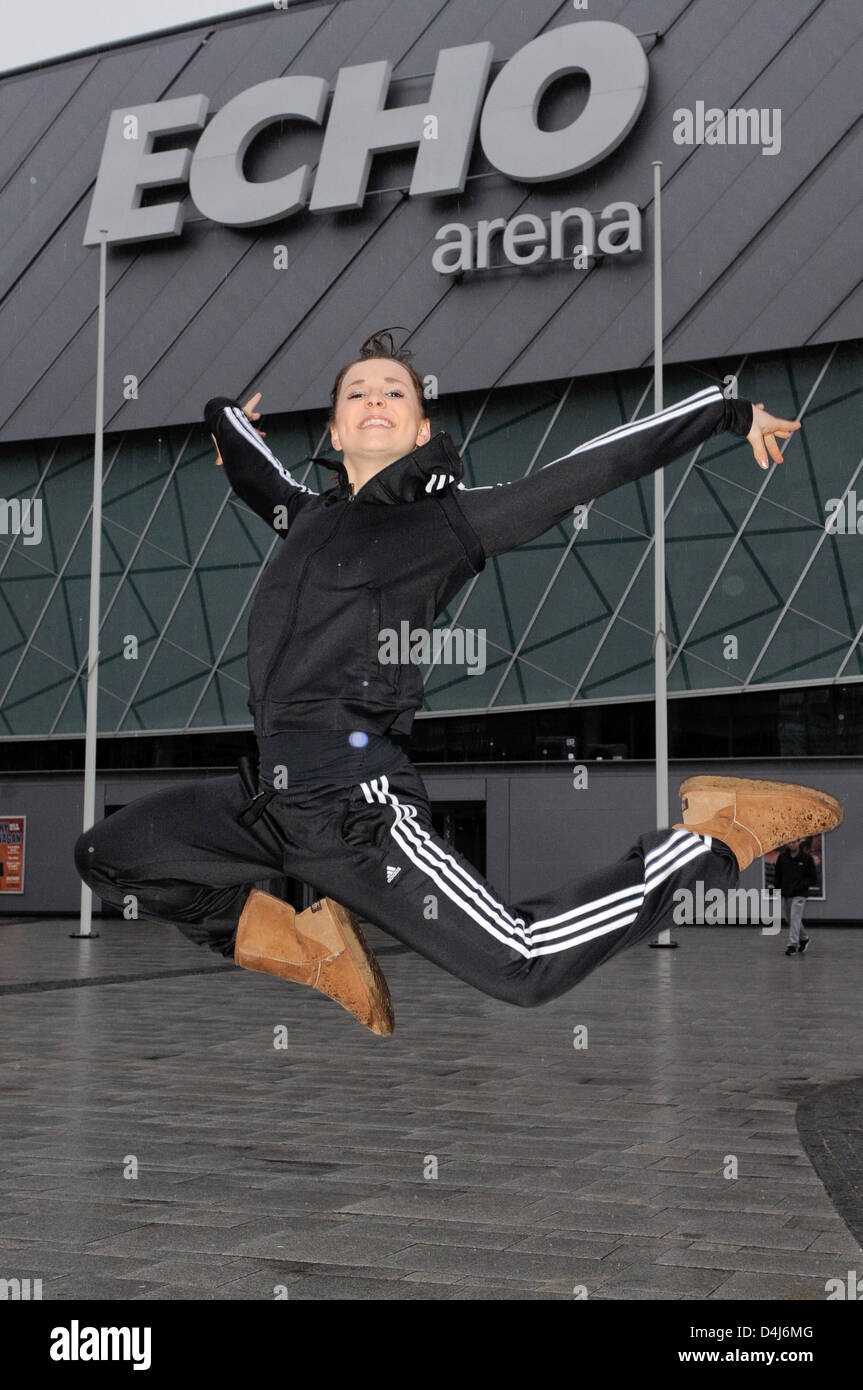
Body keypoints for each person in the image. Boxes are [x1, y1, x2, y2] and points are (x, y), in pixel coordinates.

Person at [74, 331, 843, 1034]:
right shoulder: (300, 515)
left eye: (394, 393)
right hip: (265, 800)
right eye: (356, 393)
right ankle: (306, 948)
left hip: (356, 807)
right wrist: (222, 419)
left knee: (526, 965)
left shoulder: (448, 524)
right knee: (108, 856)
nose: (375, 399)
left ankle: (713, 832)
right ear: (335, 432)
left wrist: (724, 411)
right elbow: (246, 459)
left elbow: (590, 468)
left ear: (418, 430)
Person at [774, 838, 818, 956]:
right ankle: (804, 938)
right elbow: (777, 876)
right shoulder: (782, 858)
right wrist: (777, 890)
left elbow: (813, 878)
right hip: (786, 893)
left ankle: (792, 945)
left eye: (794, 842)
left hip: (800, 894)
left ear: (799, 842)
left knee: (795, 917)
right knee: (790, 919)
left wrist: (801, 886)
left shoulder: (807, 859)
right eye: (789, 842)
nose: (792, 844)